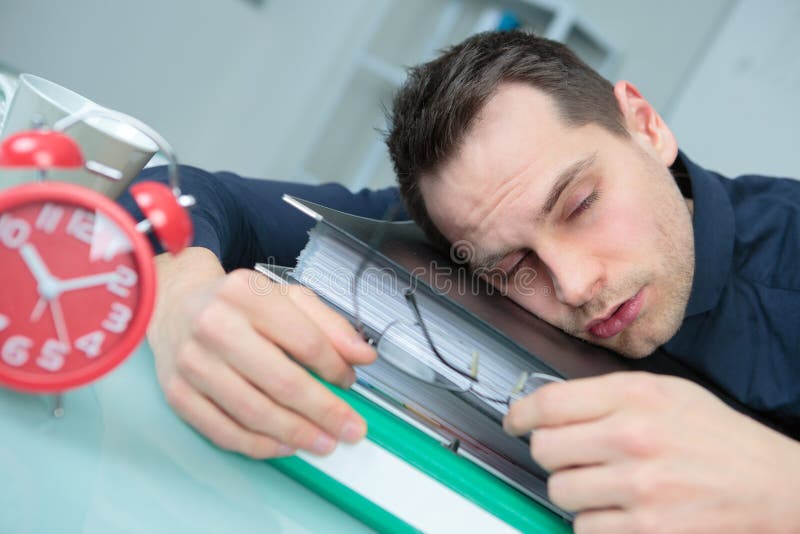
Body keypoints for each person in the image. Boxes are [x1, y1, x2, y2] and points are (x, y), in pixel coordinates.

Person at [120, 31, 800, 532]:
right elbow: (179, 193)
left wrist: (782, 489)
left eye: (580, 205)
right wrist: (181, 291)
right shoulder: (468, 232)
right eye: (512, 266)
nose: (572, 285)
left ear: (646, 127)